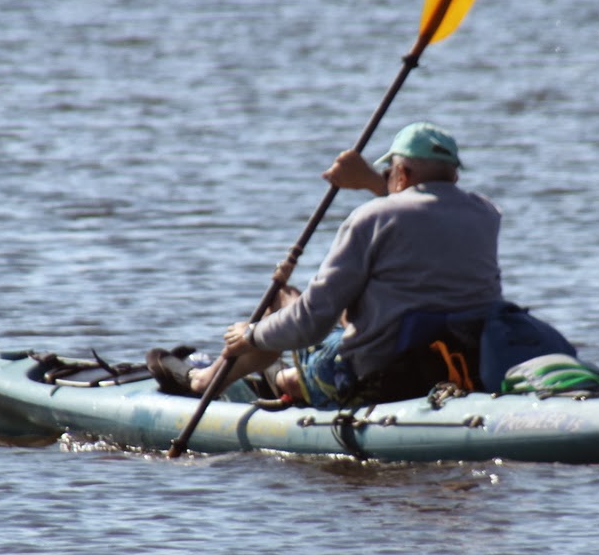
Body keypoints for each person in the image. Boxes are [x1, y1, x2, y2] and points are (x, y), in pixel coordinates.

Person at [148, 121, 503, 408]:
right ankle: (276, 371)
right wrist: (372, 183)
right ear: (455, 176)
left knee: (284, 309)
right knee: (294, 310)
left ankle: (205, 380)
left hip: (378, 379)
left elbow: (310, 322)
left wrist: (251, 333)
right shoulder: (486, 213)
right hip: (459, 365)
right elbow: (422, 212)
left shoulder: (370, 218)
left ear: (403, 174)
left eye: (390, 172)